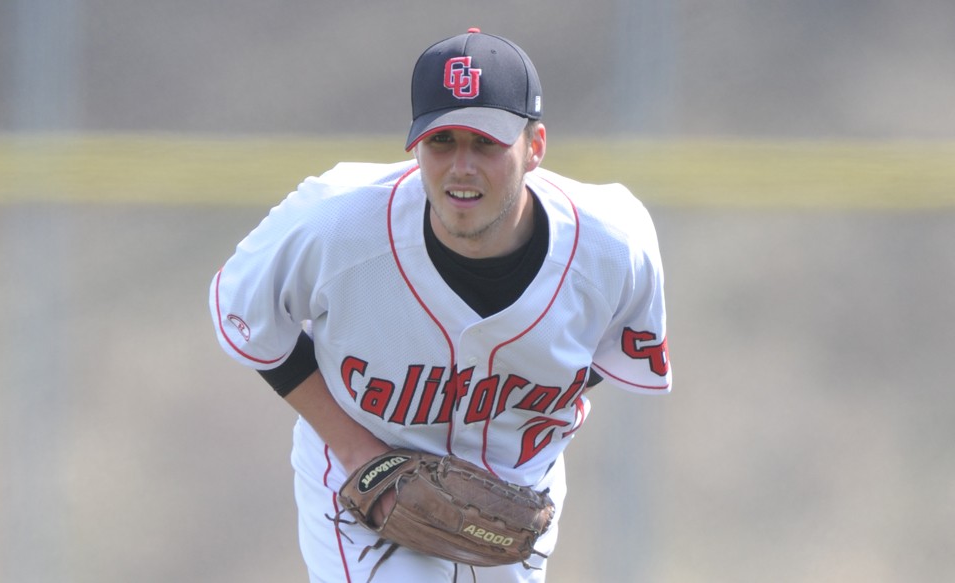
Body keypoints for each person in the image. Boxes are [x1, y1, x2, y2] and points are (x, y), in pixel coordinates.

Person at [209, 28, 671, 583]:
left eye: (486, 143)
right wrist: (360, 452)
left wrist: (519, 420)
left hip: (511, 495)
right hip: (363, 487)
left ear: (535, 147)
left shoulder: (612, 245)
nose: (461, 167)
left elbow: (614, 349)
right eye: (442, 141)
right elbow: (247, 319)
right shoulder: (335, 224)